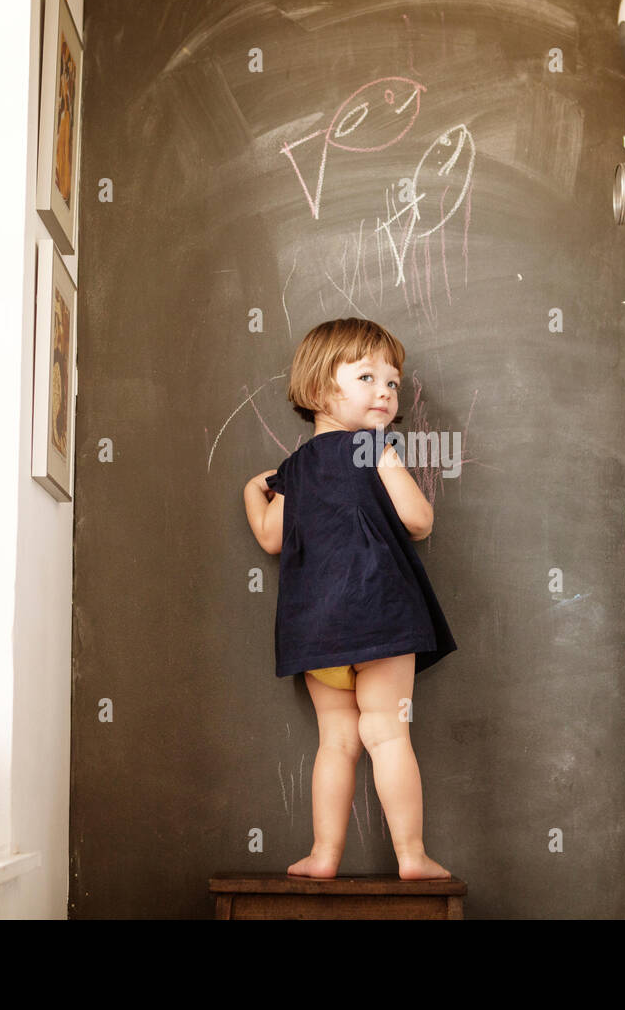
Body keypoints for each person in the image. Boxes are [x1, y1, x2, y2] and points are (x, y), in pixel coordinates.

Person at [242, 318, 457, 880]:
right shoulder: (372, 447)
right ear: (318, 390)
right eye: (367, 377)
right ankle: (411, 856)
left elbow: (269, 535)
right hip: (380, 616)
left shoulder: (295, 469)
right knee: (387, 732)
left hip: (316, 631)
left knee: (336, 742)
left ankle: (323, 857)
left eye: (392, 381)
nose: (385, 391)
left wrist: (250, 490)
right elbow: (418, 520)